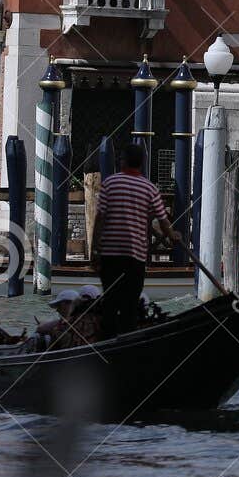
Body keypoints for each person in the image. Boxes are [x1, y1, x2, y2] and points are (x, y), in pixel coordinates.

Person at [92, 143, 176, 339]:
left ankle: (107, 343)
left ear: (123, 161)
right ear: (142, 163)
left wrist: (95, 251)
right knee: (130, 304)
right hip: (135, 256)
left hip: (110, 255)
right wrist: (173, 236)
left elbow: (99, 219)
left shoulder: (110, 184)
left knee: (111, 301)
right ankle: (125, 344)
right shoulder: (150, 188)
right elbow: (163, 221)